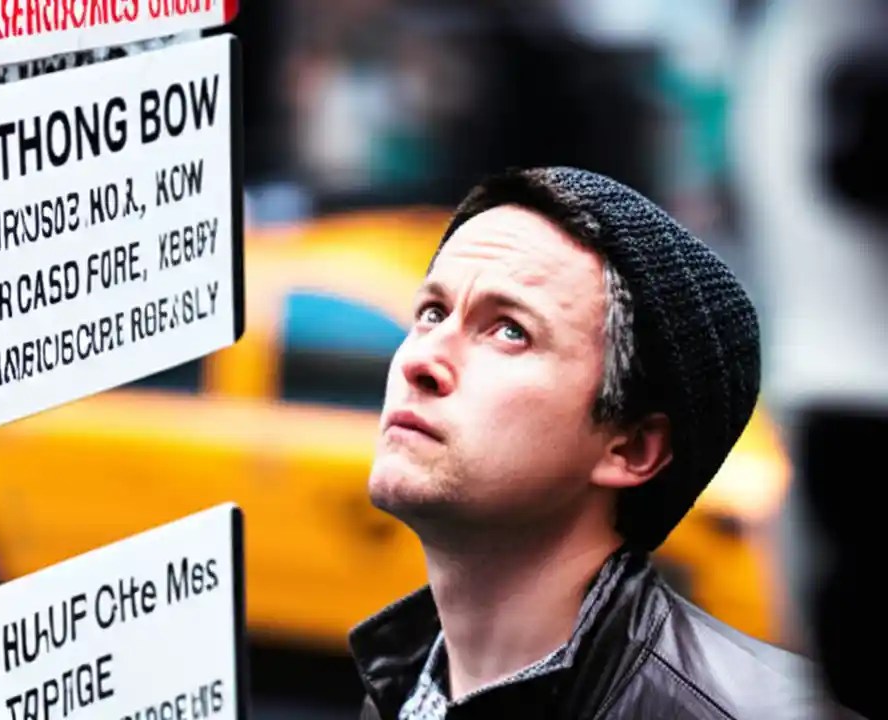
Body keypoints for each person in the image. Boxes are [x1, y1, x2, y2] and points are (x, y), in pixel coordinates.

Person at [348, 167, 863, 719]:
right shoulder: (405, 691)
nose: (422, 360)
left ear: (632, 449)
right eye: (432, 312)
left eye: (510, 330)